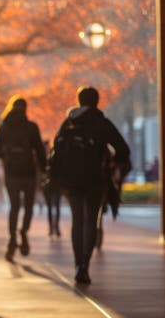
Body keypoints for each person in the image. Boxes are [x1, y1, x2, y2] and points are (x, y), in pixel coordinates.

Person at [50, 87, 130, 284]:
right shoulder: (102, 123)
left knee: (77, 220)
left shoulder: (68, 122)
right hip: (95, 179)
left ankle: (77, 264)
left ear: (78, 101)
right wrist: (112, 163)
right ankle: (85, 265)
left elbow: (56, 149)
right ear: (97, 101)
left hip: (71, 180)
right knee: (91, 221)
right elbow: (123, 149)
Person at [0, 96, 46, 262]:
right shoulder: (31, 127)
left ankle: (12, 239)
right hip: (29, 172)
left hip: (12, 173)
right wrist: (43, 169)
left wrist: (7, 157)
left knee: (14, 207)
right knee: (28, 205)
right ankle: (24, 231)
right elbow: (40, 150)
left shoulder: (5, 127)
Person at [42, 140, 62, 238]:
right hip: (52, 185)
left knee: (55, 206)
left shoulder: (48, 158)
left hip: (54, 184)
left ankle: (55, 227)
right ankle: (53, 227)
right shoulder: (46, 158)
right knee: (52, 207)